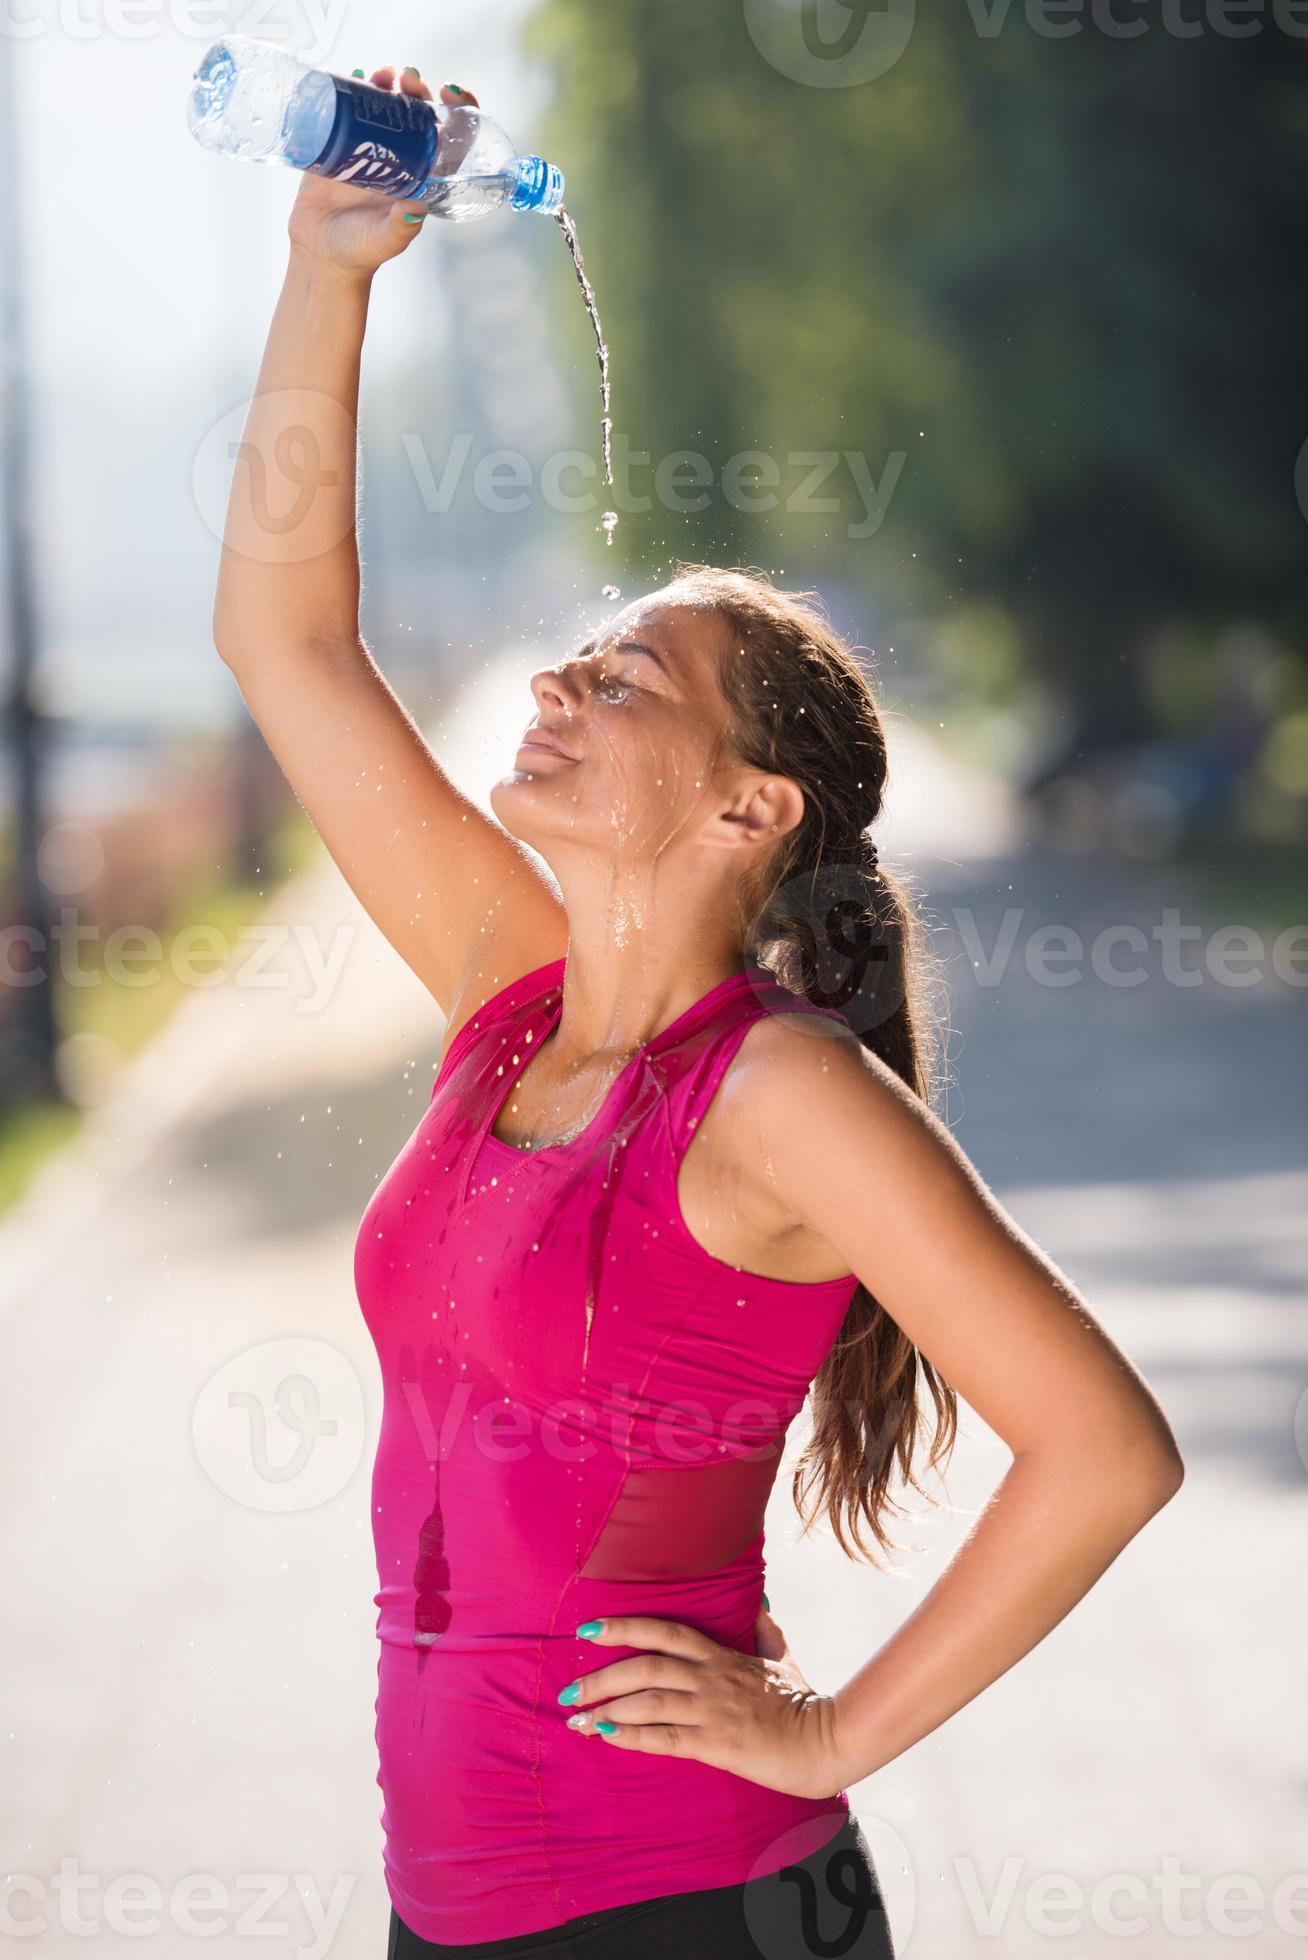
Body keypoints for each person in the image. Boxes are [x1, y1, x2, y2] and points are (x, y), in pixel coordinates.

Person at [211, 63, 1185, 1960]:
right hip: (459, 1904)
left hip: (682, 1905)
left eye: (628, 676)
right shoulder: (512, 1011)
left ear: (753, 810)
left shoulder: (780, 1098)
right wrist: (330, 275)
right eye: (579, 656)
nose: (564, 680)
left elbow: (1108, 1448)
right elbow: (286, 643)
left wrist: (830, 1729)